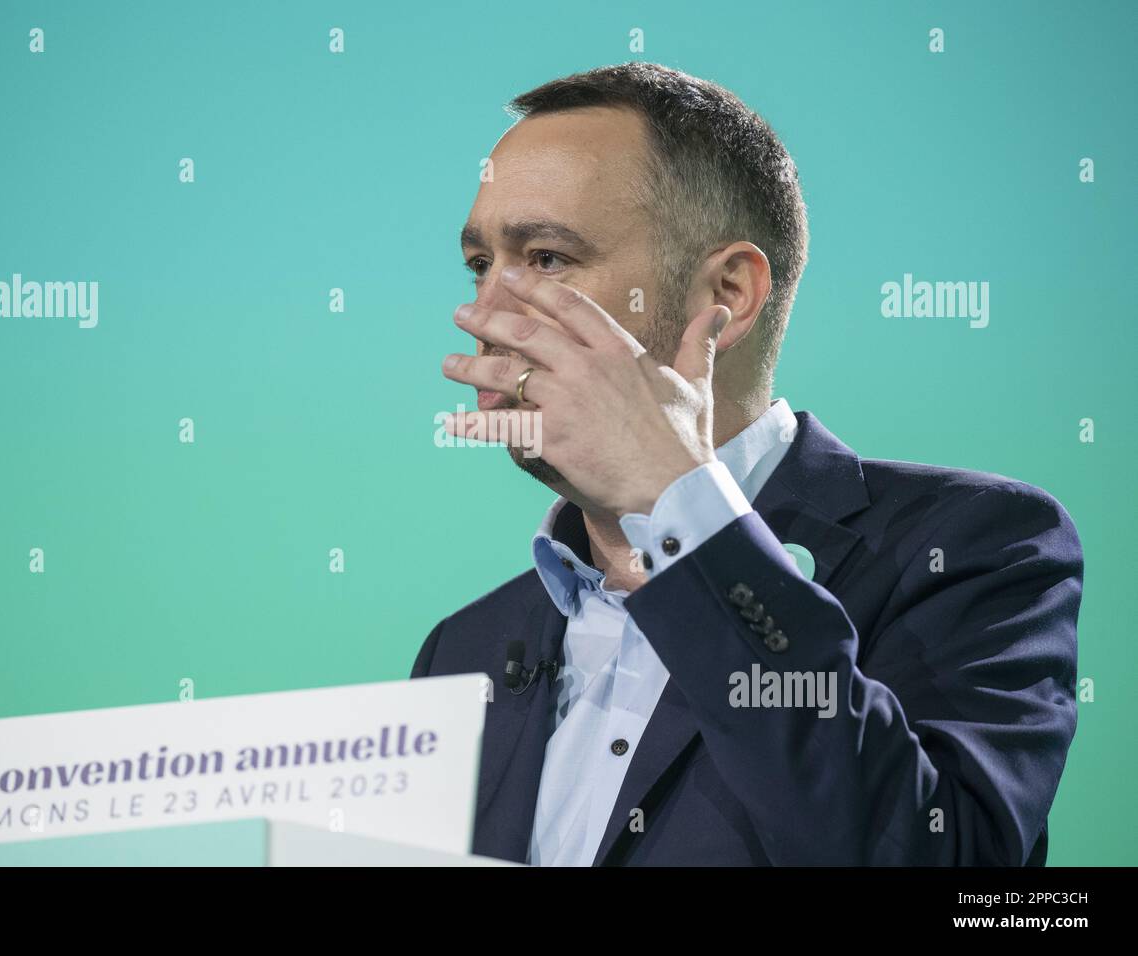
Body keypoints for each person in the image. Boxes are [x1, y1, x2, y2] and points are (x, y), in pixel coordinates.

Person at [412, 62, 1082, 866]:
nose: (485, 314)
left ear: (725, 294)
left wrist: (677, 504)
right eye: (480, 264)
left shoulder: (977, 548)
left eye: (548, 259)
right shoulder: (463, 649)